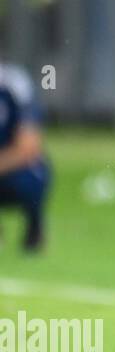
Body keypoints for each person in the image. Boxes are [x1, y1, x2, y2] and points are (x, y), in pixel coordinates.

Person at [0, 62, 50, 252]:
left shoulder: (15, 84)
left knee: (32, 175)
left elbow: (28, 148)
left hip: (14, 169)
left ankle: (35, 226)